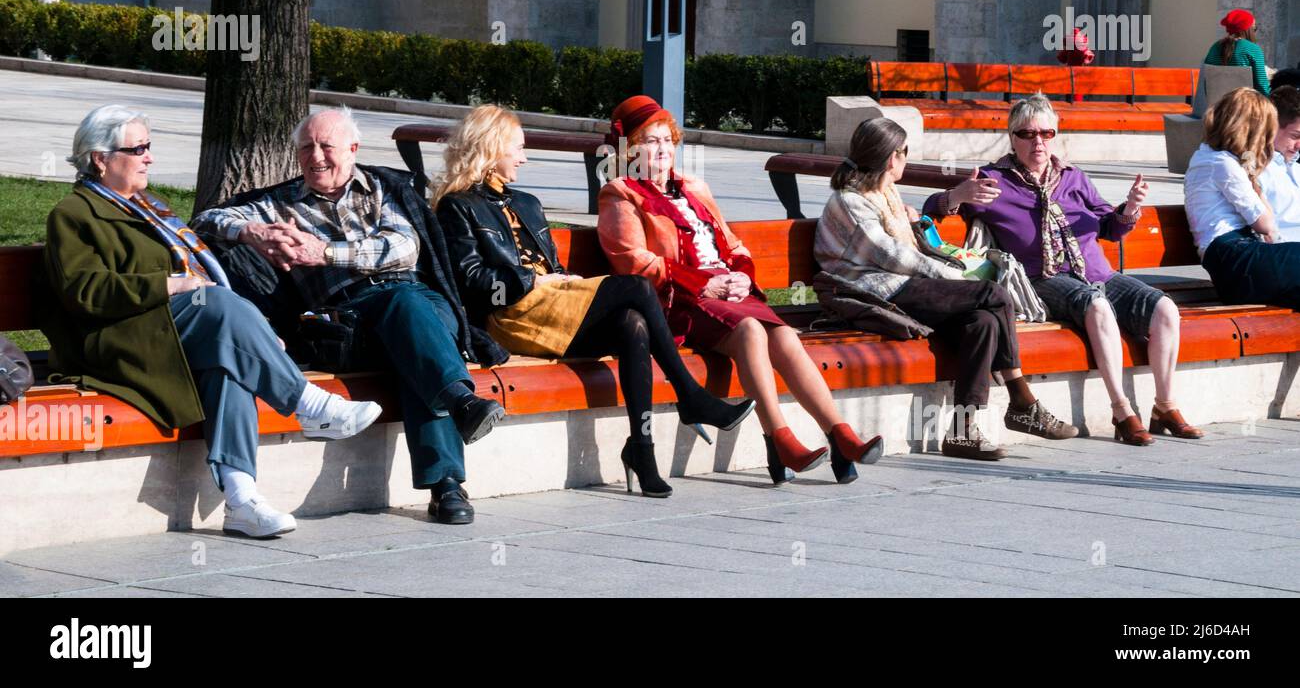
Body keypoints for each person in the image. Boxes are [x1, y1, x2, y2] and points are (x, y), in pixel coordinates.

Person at [41, 105, 382, 538]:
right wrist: (168, 286)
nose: (149, 157)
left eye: (149, 147)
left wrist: (251, 334)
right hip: (115, 339)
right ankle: (307, 404)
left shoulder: (148, 207)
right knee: (215, 306)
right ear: (100, 158)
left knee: (230, 361)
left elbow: (200, 278)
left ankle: (242, 500)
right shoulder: (74, 214)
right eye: (139, 148)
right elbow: (84, 293)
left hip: (164, 332)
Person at [192, 107, 508, 525]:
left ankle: (452, 449)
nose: (316, 156)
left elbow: (404, 248)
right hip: (349, 319)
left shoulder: (384, 188)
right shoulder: (278, 204)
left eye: (327, 146)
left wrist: (324, 253)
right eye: (307, 147)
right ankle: (450, 467)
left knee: (410, 313)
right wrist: (253, 231)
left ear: (353, 149)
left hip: (419, 299)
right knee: (415, 342)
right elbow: (206, 220)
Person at [434, 106, 755, 497]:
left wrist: (560, 277)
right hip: (514, 316)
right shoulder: (458, 206)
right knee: (635, 288)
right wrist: (536, 280)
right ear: (490, 148)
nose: (524, 157)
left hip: (554, 307)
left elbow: (550, 263)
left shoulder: (527, 202)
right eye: (517, 149)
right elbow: (471, 280)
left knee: (631, 324)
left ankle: (642, 447)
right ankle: (691, 396)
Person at [597, 95, 886, 485]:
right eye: (649, 141)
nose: (662, 148)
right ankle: (780, 436)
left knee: (783, 334)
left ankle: (839, 433)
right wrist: (706, 282)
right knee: (751, 331)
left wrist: (742, 276)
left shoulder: (694, 188)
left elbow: (734, 247)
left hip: (729, 296)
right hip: (679, 300)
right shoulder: (621, 193)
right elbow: (632, 262)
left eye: (667, 139)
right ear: (629, 149)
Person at [923, 93, 1203, 445]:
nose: (1038, 142)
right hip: (1045, 281)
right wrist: (959, 195)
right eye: (1027, 134)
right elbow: (931, 210)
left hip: (1099, 275)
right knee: (1097, 306)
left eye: (1046, 133)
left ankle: (1164, 406)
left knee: (1164, 308)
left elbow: (1110, 228)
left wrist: (1129, 209)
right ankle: (1121, 410)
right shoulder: (994, 181)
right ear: (1012, 137)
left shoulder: (1073, 178)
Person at [816, 117, 1078, 460]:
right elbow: (888, 254)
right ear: (892, 157)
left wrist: (914, 225)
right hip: (873, 292)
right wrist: (952, 275)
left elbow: (905, 248)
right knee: (993, 294)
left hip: (902, 286)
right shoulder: (850, 201)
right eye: (904, 152)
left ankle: (963, 432)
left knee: (982, 322)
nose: (905, 159)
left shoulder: (885, 193)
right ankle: (1021, 399)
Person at [1186, 87, 1300, 307]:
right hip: (1234, 261)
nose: (1266, 140)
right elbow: (1265, 223)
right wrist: (1252, 176)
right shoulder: (1220, 163)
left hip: (1242, 259)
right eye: (1265, 131)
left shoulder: (1219, 160)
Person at [1259, 85, 1300, 243]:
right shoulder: (1258, 171)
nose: (1299, 145)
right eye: (1295, 136)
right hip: (1286, 256)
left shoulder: (1296, 169)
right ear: (1272, 127)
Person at [1204, 8, 1270, 95]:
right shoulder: (1252, 49)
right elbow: (1262, 87)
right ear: (1248, 30)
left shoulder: (1214, 47)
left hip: (1218, 106)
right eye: (1254, 28)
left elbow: (1206, 82)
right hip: (1245, 106)